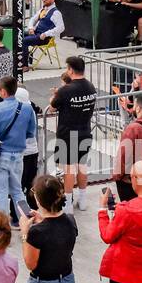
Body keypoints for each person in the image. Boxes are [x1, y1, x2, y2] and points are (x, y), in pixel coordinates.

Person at [0, 76, 37, 221]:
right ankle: (26, 222)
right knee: (18, 191)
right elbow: (31, 133)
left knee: (1, 193)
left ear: (2, 92)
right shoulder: (27, 108)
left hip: (1, 156)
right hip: (18, 155)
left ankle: (3, 226)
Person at [47, 56, 97, 212]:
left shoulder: (65, 90)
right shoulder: (91, 87)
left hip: (67, 133)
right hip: (85, 130)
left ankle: (68, 203)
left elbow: (52, 107)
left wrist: (54, 96)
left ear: (70, 70)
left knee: (68, 169)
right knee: (82, 166)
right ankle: (82, 200)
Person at [22, 0, 65, 66]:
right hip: (36, 33)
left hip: (44, 38)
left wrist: (46, 34)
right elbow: (33, 19)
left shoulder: (56, 13)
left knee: (24, 41)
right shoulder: (43, 9)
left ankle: (24, 65)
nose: (43, 0)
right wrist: (31, 28)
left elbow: (61, 28)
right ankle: (27, 56)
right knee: (18, 34)